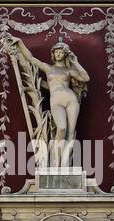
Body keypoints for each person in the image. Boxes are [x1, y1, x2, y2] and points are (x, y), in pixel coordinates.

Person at [5, 34, 89, 167]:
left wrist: (75, 62)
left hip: (71, 99)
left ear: (65, 54)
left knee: (71, 133)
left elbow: (85, 78)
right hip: (56, 101)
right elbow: (31, 59)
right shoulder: (48, 68)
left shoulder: (69, 70)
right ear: (53, 54)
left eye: (61, 52)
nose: (59, 54)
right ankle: (55, 163)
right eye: (57, 51)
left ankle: (65, 165)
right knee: (61, 128)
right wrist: (20, 42)